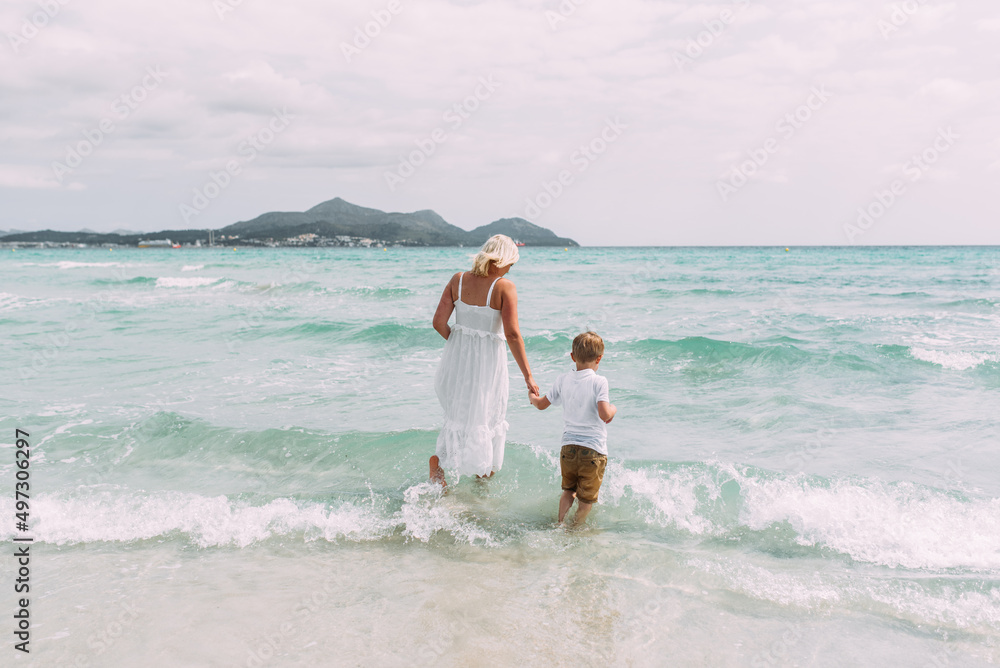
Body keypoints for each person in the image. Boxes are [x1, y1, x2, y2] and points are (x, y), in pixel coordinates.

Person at [429, 234, 539, 486]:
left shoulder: (457, 280)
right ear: (501, 260)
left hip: (456, 362)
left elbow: (438, 323)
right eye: (512, 263)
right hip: (488, 366)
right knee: (486, 415)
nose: (512, 268)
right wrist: (528, 376)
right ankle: (482, 477)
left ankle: (441, 462)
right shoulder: (504, 286)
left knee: (459, 415)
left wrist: (461, 349)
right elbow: (512, 334)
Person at [529, 331, 617, 526]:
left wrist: (532, 398)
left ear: (572, 356)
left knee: (568, 490)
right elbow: (605, 414)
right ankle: (575, 529)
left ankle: (560, 524)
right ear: (599, 358)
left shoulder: (563, 379)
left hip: (567, 448)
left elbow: (542, 404)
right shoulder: (599, 381)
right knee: (586, 500)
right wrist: (613, 410)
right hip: (593, 450)